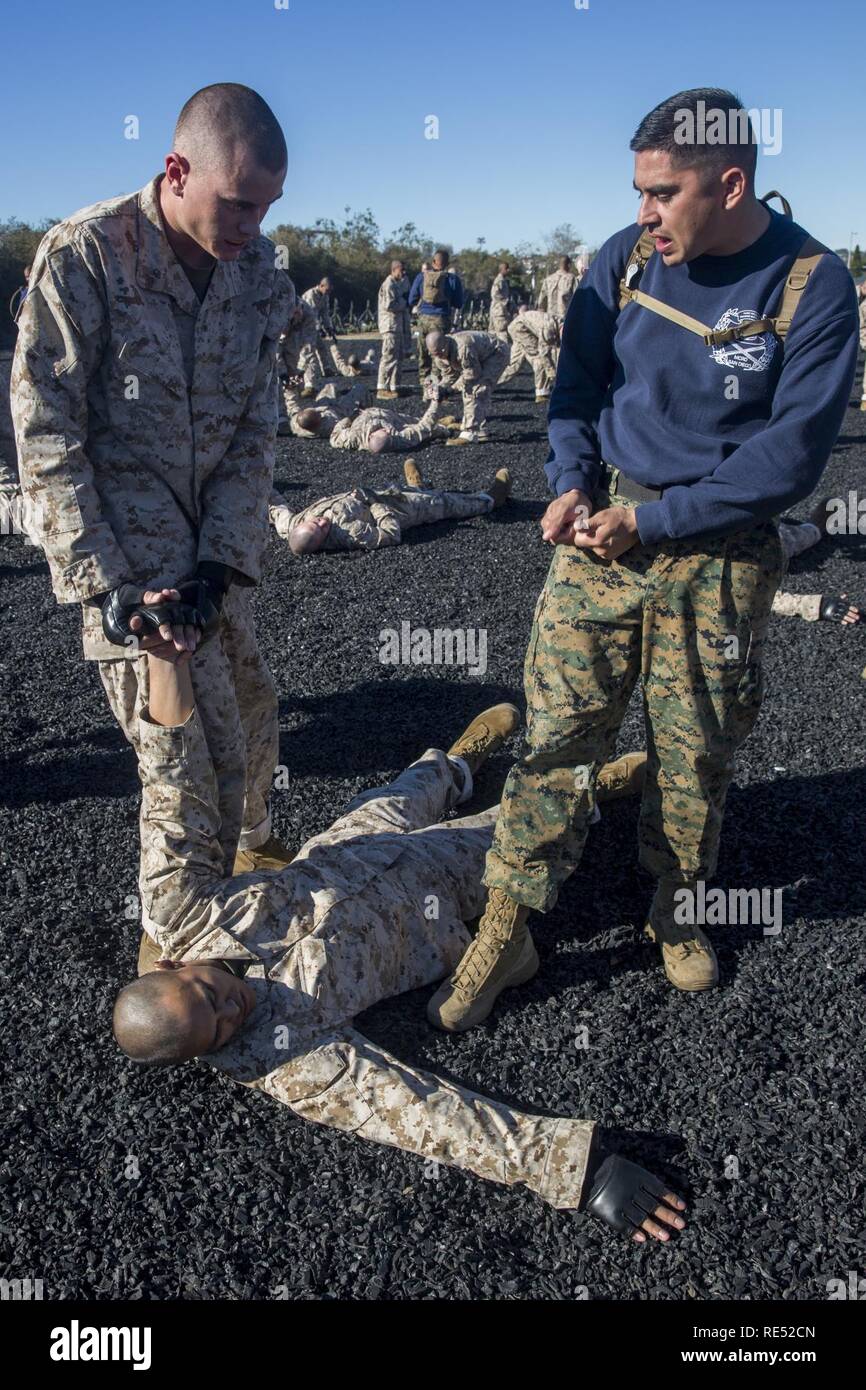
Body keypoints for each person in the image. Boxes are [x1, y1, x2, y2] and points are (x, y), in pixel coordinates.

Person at [427, 87, 859, 1031]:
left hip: (722, 550)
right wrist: (574, 482)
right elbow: (576, 387)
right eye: (637, 191)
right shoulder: (622, 264)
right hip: (605, 528)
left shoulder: (811, 285)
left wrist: (660, 526)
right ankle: (511, 920)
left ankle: (680, 905)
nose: (643, 213)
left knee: (695, 742)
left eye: (662, 193)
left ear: (731, 183)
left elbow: (788, 458)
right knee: (557, 728)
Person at [112, 638, 688, 1245]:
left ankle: (460, 764)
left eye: (210, 995)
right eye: (221, 1028)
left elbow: (172, 793)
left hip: (347, 848)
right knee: (528, 830)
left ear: (176, 964)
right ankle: (592, 793)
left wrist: (164, 657)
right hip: (430, 903)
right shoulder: (277, 1053)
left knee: (407, 789)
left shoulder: (182, 910)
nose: (235, 1009)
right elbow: (414, 1111)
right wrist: (579, 1171)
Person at [12, 83, 295, 877]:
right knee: (181, 763)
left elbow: (254, 427)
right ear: (176, 169)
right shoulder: (88, 256)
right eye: (239, 204)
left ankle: (253, 865)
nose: (253, 228)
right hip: (130, 557)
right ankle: (177, 945)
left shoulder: (257, 273)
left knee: (251, 710)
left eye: (267, 208)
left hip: (206, 553)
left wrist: (222, 560)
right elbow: (45, 430)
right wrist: (104, 584)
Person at [269, 459, 512, 552]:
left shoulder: (292, 526)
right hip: (398, 510)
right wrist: (374, 503)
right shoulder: (349, 533)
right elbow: (390, 535)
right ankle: (489, 500)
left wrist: (259, 490)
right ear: (322, 541)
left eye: (314, 522)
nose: (321, 522)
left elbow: (277, 510)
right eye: (321, 529)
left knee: (407, 490)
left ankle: (418, 486)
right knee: (441, 503)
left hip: (375, 494)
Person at [426, 329, 510, 443]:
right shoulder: (439, 355)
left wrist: (450, 390)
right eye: (435, 354)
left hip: (496, 354)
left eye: (440, 353)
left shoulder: (463, 347)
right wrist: (441, 388)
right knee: (471, 389)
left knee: (476, 389)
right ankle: (479, 429)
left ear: (445, 345)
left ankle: (470, 433)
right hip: (479, 357)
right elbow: (449, 375)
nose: (439, 357)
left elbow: (472, 374)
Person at [408, 249, 464, 384]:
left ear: (433, 262)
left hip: (423, 320)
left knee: (423, 353)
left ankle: (424, 384)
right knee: (439, 355)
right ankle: (436, 387)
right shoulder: (452, 279)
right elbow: (458, 303)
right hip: (441, 320)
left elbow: (411, 300)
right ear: (447, 263)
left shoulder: (421, 277)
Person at [498, 306, 560, 400]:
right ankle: (542, 394)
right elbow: (544, 353)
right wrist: (551, 371)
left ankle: (488, 384)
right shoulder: (548, 329)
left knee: (514, 365)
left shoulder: (561, 322)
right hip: (521, 329)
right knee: (539, 359)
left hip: (518, 327)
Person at [376, 260, 410, 399]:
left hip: (397, 326)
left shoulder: (397, 284)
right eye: (401, 270)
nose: (403, 273)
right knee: (389, 356)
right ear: (394, 270)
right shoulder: (389, 284)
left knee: (398, 357)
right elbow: (390, 305)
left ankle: (394, 386)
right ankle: (382, 387)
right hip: (390, 326)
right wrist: (405, 301)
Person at [488, 261, 513, 337]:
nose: (508, 270)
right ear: (502, 269)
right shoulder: (499, 281)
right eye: (506, 268)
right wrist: (506, 303)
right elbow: (495, 294)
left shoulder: (504, 280)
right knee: (501, 334)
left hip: (500, 310)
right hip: (499, 311)